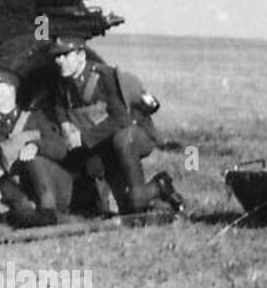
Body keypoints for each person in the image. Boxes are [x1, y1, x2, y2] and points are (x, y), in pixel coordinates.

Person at [49, 34, 185, 215]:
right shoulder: (64, 81)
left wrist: (82, 137)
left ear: (81, 56)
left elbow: (121, 119)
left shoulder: (105, 77)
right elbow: (59, 106)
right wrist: (66, 124)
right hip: (105, 143)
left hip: (134, 137)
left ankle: (160, 185)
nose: (60, 61)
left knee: (123, 141)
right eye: (57, 56)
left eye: (66, 55)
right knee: (129, 209)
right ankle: (158, 200)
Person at [0, 64, 72, 227]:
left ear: (10, 90)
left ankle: (48, 211)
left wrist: (37, 146)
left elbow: (61, 149)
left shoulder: (36, 118)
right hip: (15, 190)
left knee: (33, 159)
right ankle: (26, 214)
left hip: (51, 187)